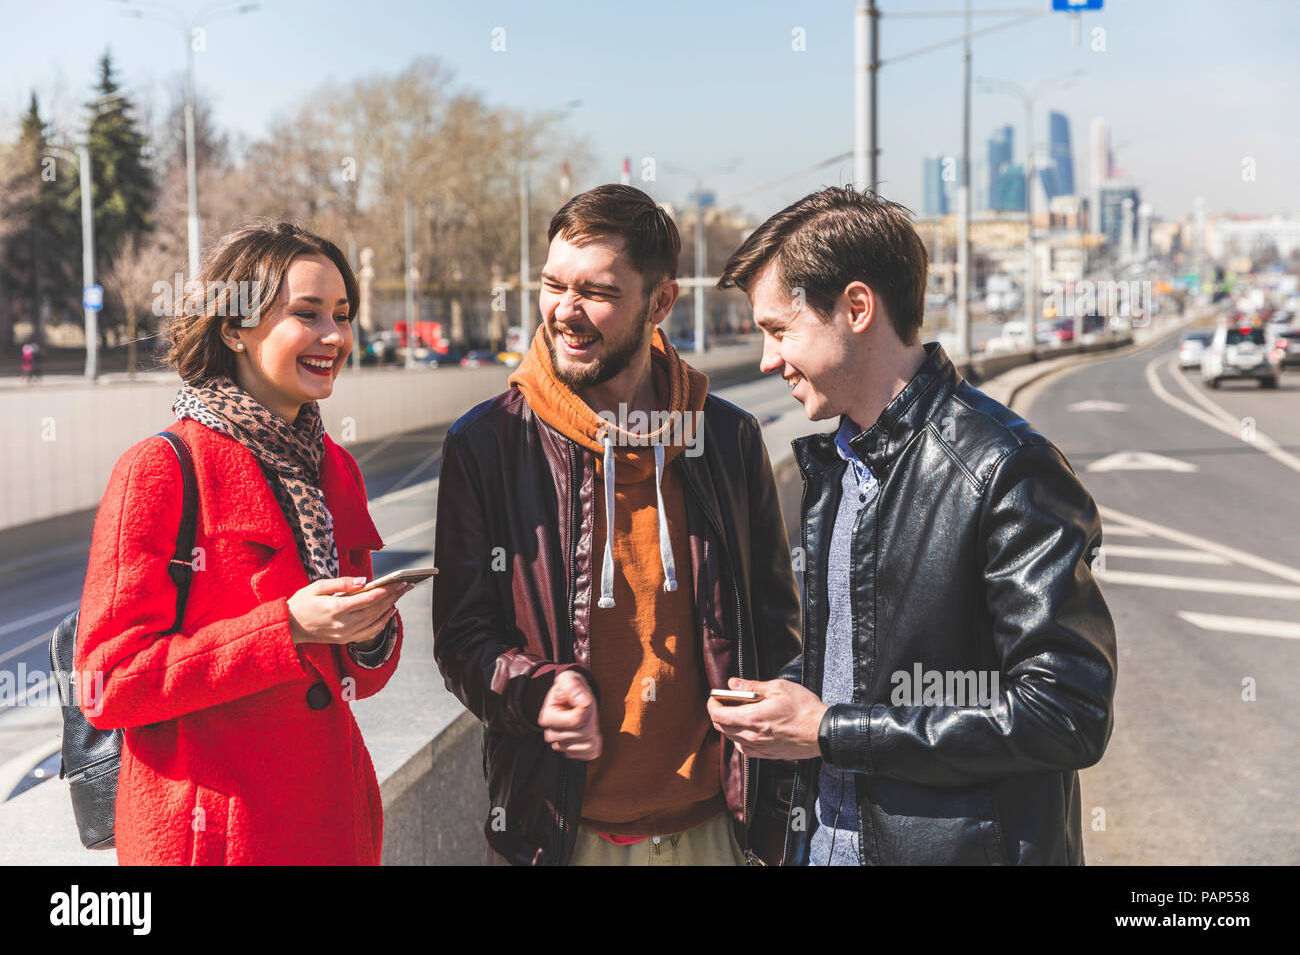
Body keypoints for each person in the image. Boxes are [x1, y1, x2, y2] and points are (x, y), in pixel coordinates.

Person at [709, 186, 1117, 865]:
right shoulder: (836, 466)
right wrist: (784, 698)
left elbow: (1066, 713)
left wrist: (830, 729)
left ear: (857, 308)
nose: (766, 360)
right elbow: (873, 663)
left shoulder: (1006, 469)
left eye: (779, 330)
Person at [432, 184, 801, 866]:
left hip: (721, 831)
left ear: (660, 304)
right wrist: (534, 688)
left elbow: (775, 631)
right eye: (552, 285)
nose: (564, 312)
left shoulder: (725, 438)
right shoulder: (487, 445)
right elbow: (461, 639)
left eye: (596, 292)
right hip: (562, 837)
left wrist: (782, 809)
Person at [75, 220, 411, 865]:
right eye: (306, 314)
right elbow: (107, 681)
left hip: (331, 823)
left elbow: (353, 680)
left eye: (342, 315)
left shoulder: (334, 466)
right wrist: (286, 629)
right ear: (234, 328)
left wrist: (367, 632)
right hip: (214, 839)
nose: (334, 337)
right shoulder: (162, 468)